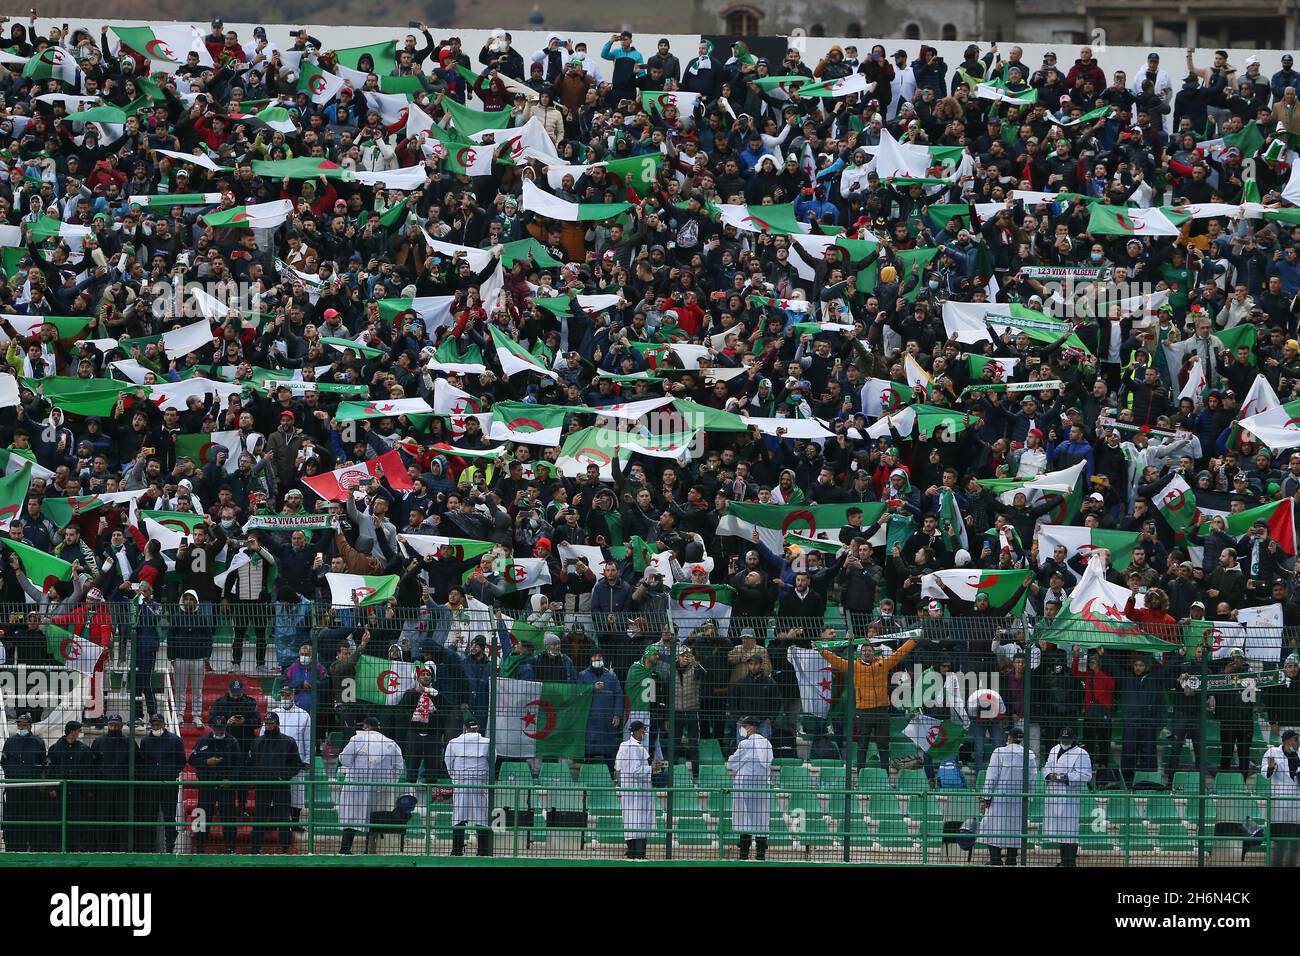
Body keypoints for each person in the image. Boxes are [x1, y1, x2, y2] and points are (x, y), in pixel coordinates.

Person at [337, 716, 404, 855]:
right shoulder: (390, 743)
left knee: (351, 817)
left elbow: (344, 759)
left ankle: (345, 849)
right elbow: (398, 767)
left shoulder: (357, 739)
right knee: (374, 817)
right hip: (380, 787)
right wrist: (389, 782)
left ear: (366, 726)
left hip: (356, 785)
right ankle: (371, 850)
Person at [248, 712, 307, 854]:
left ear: (277, 724)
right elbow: (251, 763)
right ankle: (255, 847)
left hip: (281, 785)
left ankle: (286, 848)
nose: (269, 726)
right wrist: (256, 777)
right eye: (267, 723)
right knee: (260, 816)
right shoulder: (257, 742)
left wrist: (284, 776)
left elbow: (296, 764)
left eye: (271, 723)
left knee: (283, 817)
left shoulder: (288, 742)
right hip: (263, 784)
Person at [979, 725, 1037, 866]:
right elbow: (1032, 779)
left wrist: (986, 797)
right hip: (1019, 798)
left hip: (999, 798)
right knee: (1015, 828)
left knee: (992, 826)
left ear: (1009, 737)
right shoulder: (1029, 754)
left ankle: (995, 859)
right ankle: (1012, 859)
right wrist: (1028, 797)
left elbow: (991, 776)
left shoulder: (999, 752)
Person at [188, 718, 243, 853]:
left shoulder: (233, 742)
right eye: (217, 729)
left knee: (229, 819)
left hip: (226, 787)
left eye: (221, 729)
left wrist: (230, 780)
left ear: (225, 727)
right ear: (213, 727)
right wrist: (207, 762)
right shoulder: (203, 740)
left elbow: (239, 765)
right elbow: (192, 760)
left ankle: (230, 848)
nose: (219, 732)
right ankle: (200, 848)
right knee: (202, 816)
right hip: (207, 785)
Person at [134, 713, 186, 853]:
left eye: (158, 724)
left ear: (163, 724)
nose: (156, 726)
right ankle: (149, 848)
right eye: (154, 724)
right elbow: (142, 762)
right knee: (149, 817)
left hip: (168, 784)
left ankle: (170, 847)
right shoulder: (146, 741)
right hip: (151, 785)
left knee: (169, 817)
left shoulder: (175, 740)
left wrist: (171, 773)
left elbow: (181, 761)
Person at [1042, 728, 1093, 867]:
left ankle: (1070, 862)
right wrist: (1049, 775)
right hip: (1053, 793)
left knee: (1070, 829)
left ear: (1073, 739)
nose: (1064, 741)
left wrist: (1065, 777)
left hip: (1070, 795)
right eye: (1062, 738)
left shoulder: (1081, 753)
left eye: (1067, 739)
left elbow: (1086, 775)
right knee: (1060, 829)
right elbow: (1046, 767)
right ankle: (1064, 861)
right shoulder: (1054, 749)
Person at [727, 715, 774, 860]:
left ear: (751, 727)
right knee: (761, 818)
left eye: (745, 726)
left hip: (744, 786)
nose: (743, 729)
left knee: (744, 818)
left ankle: (743, 855)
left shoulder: (745, 744)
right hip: (761, 786)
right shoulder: (767, 744)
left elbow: (732, 763)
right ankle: (760, 855)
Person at [444, 716, 492, 856]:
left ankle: (456, 850)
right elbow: (492, 761)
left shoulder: (454, 742)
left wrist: (455, 777)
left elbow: (448, 762)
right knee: (481, 816)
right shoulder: (487, 742)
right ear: (478, 728)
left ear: (464, 728)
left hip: (461, 782)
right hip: (480, 783)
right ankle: (483, 851)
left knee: (459, 815)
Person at [1, 713, 48, 852]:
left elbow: (43, 764)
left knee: (31, 817)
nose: (21, 727)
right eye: (19, 725)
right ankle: (14, 846)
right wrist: (12, 775)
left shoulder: (38, 742)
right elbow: (4, 762)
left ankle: (32, 845)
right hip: (14, 788)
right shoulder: (10, 742)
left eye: (24, 725)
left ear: (30, 726)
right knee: (14, 817)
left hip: (32, 788)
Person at [45, 721, 96, 852]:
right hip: (61, 791)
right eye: (78, 731)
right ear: (72, 732)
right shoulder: (55, 749)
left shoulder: (83, 749)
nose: (79, 733)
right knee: (59, 819)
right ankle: (59, 848)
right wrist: (51, 788)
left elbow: (89, 771)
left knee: (77, 820)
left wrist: (88, 789)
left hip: (77, 792)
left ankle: (75, 847)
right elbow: (50, 769)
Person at [271, 685, 313, 830]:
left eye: (288, 695)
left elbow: (308, 739)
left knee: (297, 792)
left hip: (296, 760)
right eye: (283, 695)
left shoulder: (303, 715)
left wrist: (307, 760)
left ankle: (295, 822)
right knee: (275, 791)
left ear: (293, 696)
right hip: (276, 760)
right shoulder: (274, 713)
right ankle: (274, 822)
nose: (285, 697)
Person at [615, 719, 655, 859]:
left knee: (631, 821)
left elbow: (618, 767)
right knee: (639, 822)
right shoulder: (632, 747)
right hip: (637, 791)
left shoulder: (625, 745)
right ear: (638, 731)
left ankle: (632, 852)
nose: (644, 732)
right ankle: (638, 854)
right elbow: (635, 770)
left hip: (630, 790)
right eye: (643, 729)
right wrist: (651, 768)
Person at [578, 649, 624, 769]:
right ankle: (587, 775)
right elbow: (578, 693)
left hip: (607, 719)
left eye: (600, 656)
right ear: (590, 658)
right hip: (590, 719)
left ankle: (611, 775)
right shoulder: (583, 675)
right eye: (594, 656)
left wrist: (617, 714)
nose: (597, 658)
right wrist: (591, 688)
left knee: (608, 750)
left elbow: (618, 695)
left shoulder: (611, 676)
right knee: (589, 750)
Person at [1263, 729, 1300, 867]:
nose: (1298, 743)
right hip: (1280, 805)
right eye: (1296, 740)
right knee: (1280, 842)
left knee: (1296, 843)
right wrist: (1271, 767)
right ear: (1287, 741)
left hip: (1297, 806)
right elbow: (1265, 773)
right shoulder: (1272, 752)